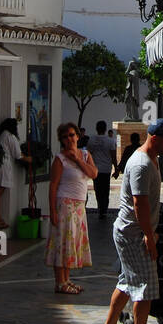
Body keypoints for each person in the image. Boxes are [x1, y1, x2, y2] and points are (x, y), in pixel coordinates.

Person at [97, 119, 163, 324]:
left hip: (132, 231)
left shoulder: (151, 159)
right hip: (133, 233)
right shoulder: (142, 163)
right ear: (154, 139)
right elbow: (139, 203)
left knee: (126, 282)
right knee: (145, 286)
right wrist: (149, 237)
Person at [45, 123, 96, 294]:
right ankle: (60, 282)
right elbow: (53, 185)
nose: (69, 139)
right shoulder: (60, 159)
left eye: (72, 135)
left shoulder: (85, 154)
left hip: (79, 204)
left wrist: (78, 160)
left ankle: (66, 279)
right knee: (62, 243)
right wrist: (52, 210)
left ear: (77, 136)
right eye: (65, 136)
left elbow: (93, 173)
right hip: (64, 204)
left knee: (72, 243)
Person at [0, 117, 31, 230]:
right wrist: (28, 159)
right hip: (3, 166)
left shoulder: (2, 134)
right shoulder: (10, 136)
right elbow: (18, 154)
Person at [87, 120, 118, 220]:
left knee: (98, 189)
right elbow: (113, 156)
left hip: (95, 168)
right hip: (106, 169)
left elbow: (89, 154)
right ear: (105, 129)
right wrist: (116, 169)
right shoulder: (110, 141)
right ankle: (104, 209)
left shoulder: (91, 140)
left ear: (97, 129)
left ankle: (100, 207)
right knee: (105, 190)